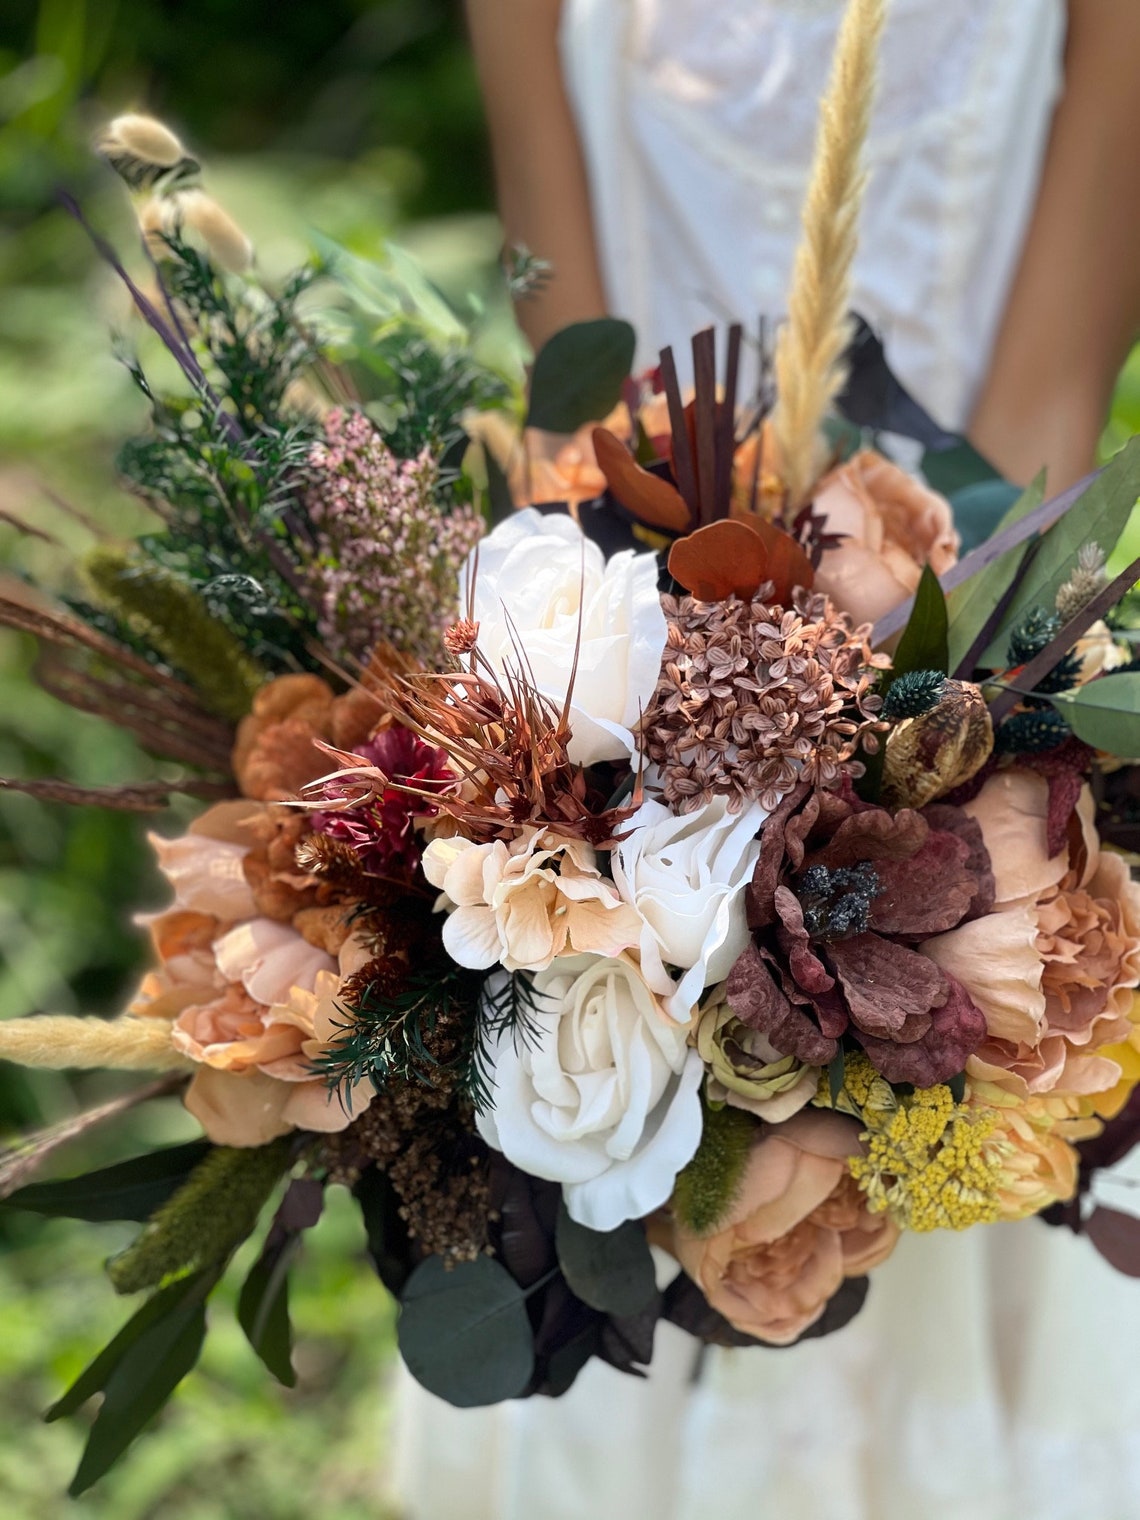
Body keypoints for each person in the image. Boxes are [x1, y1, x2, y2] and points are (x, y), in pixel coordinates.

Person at [392, 3, 1140, 1518]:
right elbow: (577, 397)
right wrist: (636, 780)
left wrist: (935, 738)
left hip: (957, 622)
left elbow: (1046, 419)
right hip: (620, 636)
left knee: (965, 1081)